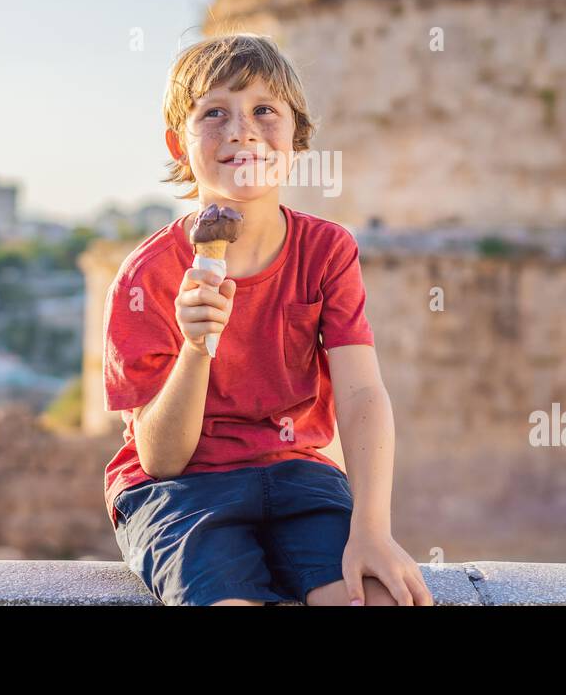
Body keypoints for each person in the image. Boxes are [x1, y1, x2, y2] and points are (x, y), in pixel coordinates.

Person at [102, 32, 433, 606]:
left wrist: (372, 531)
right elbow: (160, 457)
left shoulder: (327, 251)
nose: (241, 130)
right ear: (177, 146)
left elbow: (361, 396)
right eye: (214, 113)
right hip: (182, 490)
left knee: (377, 599)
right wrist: (195, 345)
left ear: (296, 136)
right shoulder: (145, 277)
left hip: (297, 475)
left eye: (263, 110)